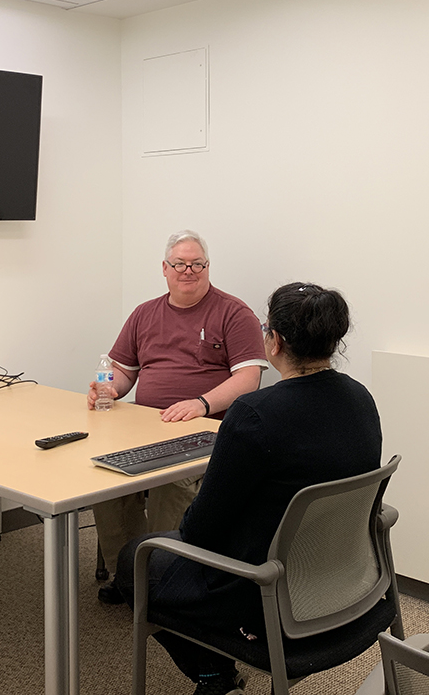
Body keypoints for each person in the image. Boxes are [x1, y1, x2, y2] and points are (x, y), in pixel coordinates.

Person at [116, 282, 383, 695]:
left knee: (136, 557)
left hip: (265, 592)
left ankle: (213, 673)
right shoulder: (361, 398)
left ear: (273, 341)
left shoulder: (255, 414)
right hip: (350, 579)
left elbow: (200, 532)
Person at [89, 230, 267, 603]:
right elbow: (123, 371)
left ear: (207, 267)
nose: (189, 270)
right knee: (103, 481)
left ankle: (166, 578)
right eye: (180, 264)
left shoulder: (234, 313)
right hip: (141, 426)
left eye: (197, 264)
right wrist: (110, 390)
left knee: (172, 486)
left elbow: (248, 378)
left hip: (205, 432)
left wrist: (201, 404)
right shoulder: (144, 314)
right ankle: (129, 576)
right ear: (165, 269)